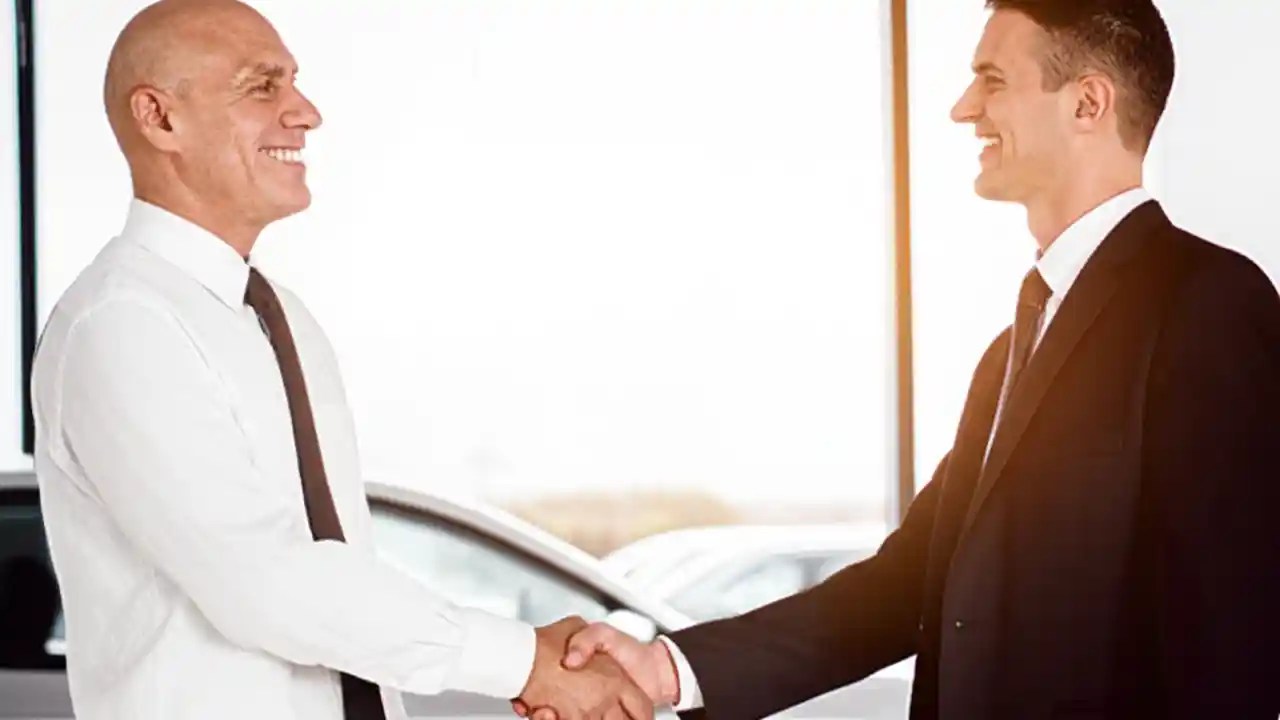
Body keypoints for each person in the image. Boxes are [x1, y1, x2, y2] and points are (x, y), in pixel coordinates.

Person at [538, 1, 1280, 718]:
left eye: (993, 80)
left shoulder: (1206, 303)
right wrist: (669, 669)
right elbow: (903, 586)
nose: (964, 108)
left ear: (1088, 103)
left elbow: (1224, 639)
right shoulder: (1009, 353)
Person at [30, 2, 651, 719]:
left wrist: (526, 664)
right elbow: (262, 582)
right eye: (262, 86)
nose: (307, 113)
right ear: (160, 118)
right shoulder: (123, 325)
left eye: (295, 81)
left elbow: (332, 575)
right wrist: (525, 664)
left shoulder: (279, 316)